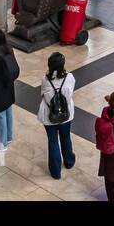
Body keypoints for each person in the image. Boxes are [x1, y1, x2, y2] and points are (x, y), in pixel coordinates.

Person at [37, 51, 76, 180]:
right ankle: (69, 162)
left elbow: (43, 95)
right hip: (65, 115)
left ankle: (55, 171)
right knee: (66, 137)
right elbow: (69, 95)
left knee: (53, 142)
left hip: (49, 116)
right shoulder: (69, 77)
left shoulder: (45, 80)